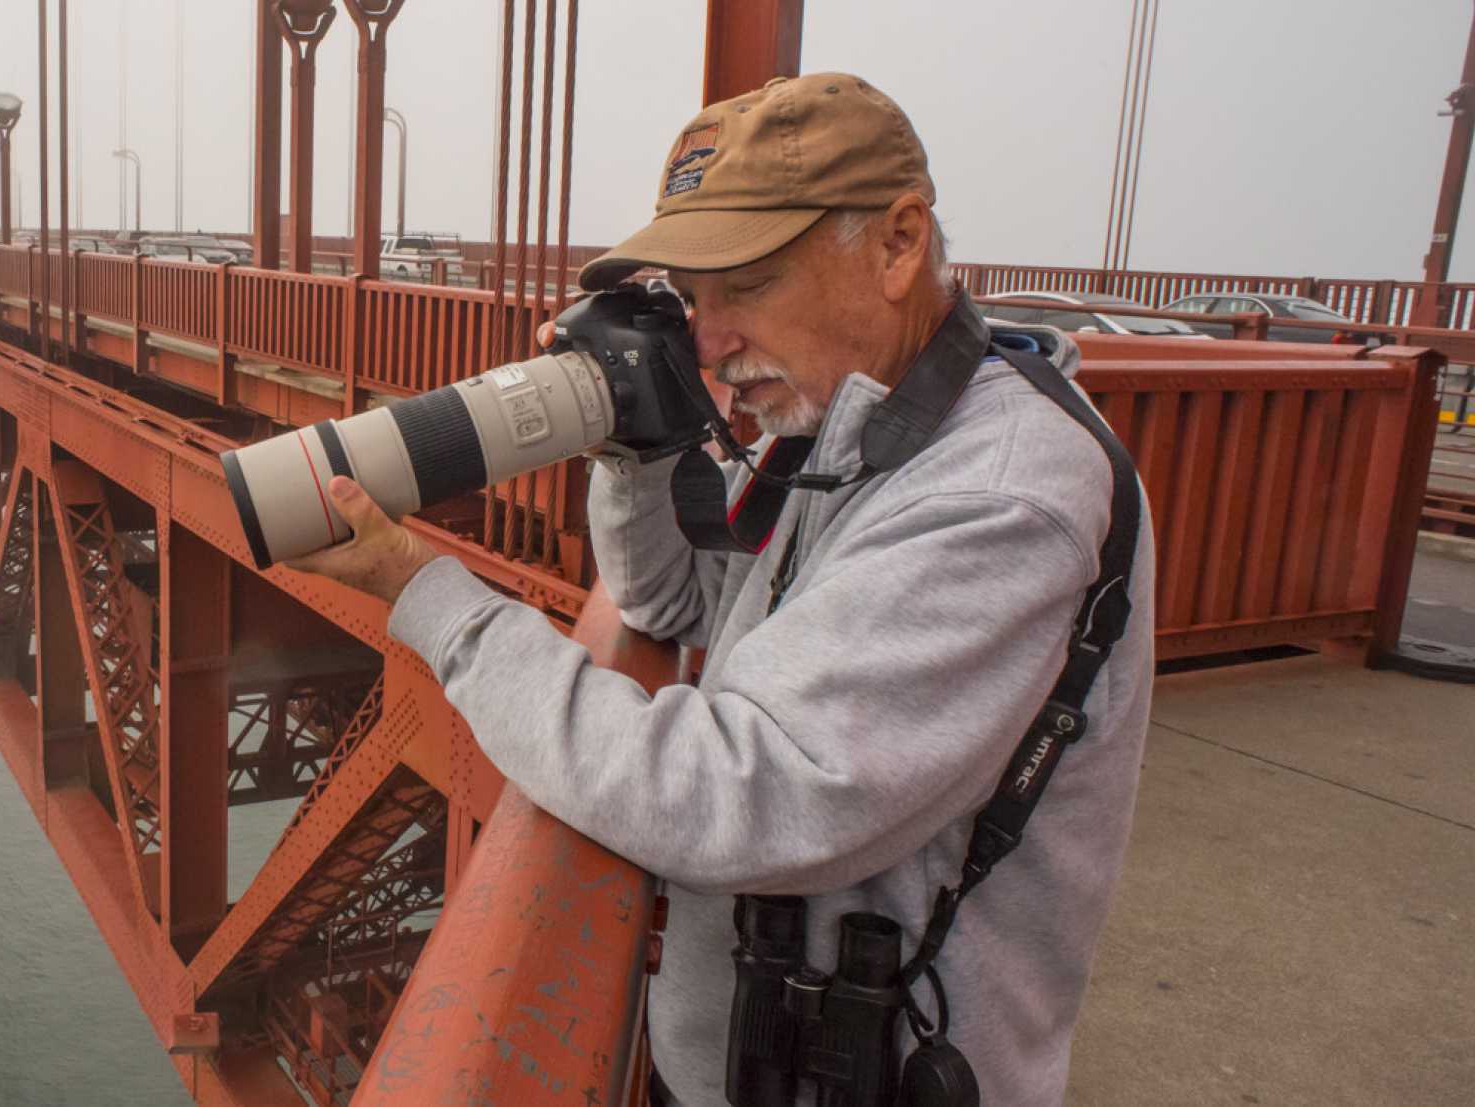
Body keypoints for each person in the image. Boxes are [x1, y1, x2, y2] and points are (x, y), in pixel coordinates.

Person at [290, 73, 1154, 1106]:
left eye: (746, 285)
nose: (707, 341)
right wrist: (633, 445)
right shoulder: (856, 425)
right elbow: (671, 606)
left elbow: (739, 798)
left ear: (898, 243)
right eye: (693, 300)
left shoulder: (1000, 494)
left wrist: (434, 600)